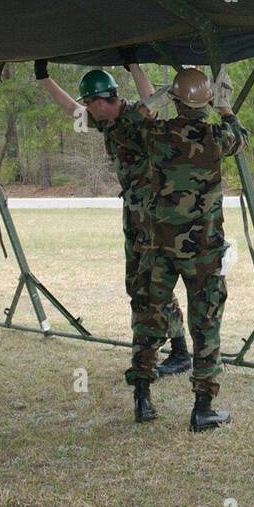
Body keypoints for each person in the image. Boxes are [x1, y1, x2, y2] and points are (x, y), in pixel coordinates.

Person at [35, 60, 190, 376]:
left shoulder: (135, 114)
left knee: (155, 282)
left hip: (155, 212)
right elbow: (72, 111)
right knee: (136, 282)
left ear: (101, 102)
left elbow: (153, 102)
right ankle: (161, 346)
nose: (86, 111)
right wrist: (44, 78)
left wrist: (133, 64)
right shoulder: (105, 121)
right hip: (134, 212)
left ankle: (178, 351)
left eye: (89, 104)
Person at [133, 66, 247, 429]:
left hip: (160, 246)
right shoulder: (216, 137)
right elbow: (240, 136)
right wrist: (224, 106)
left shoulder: (158, 134)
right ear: (207, 101)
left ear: (176, 101)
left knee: (150, 318)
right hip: (203, 251)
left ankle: (142, 399)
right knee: (206, 324)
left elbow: (135, 121)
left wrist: (159, 97)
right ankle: (202, 408)